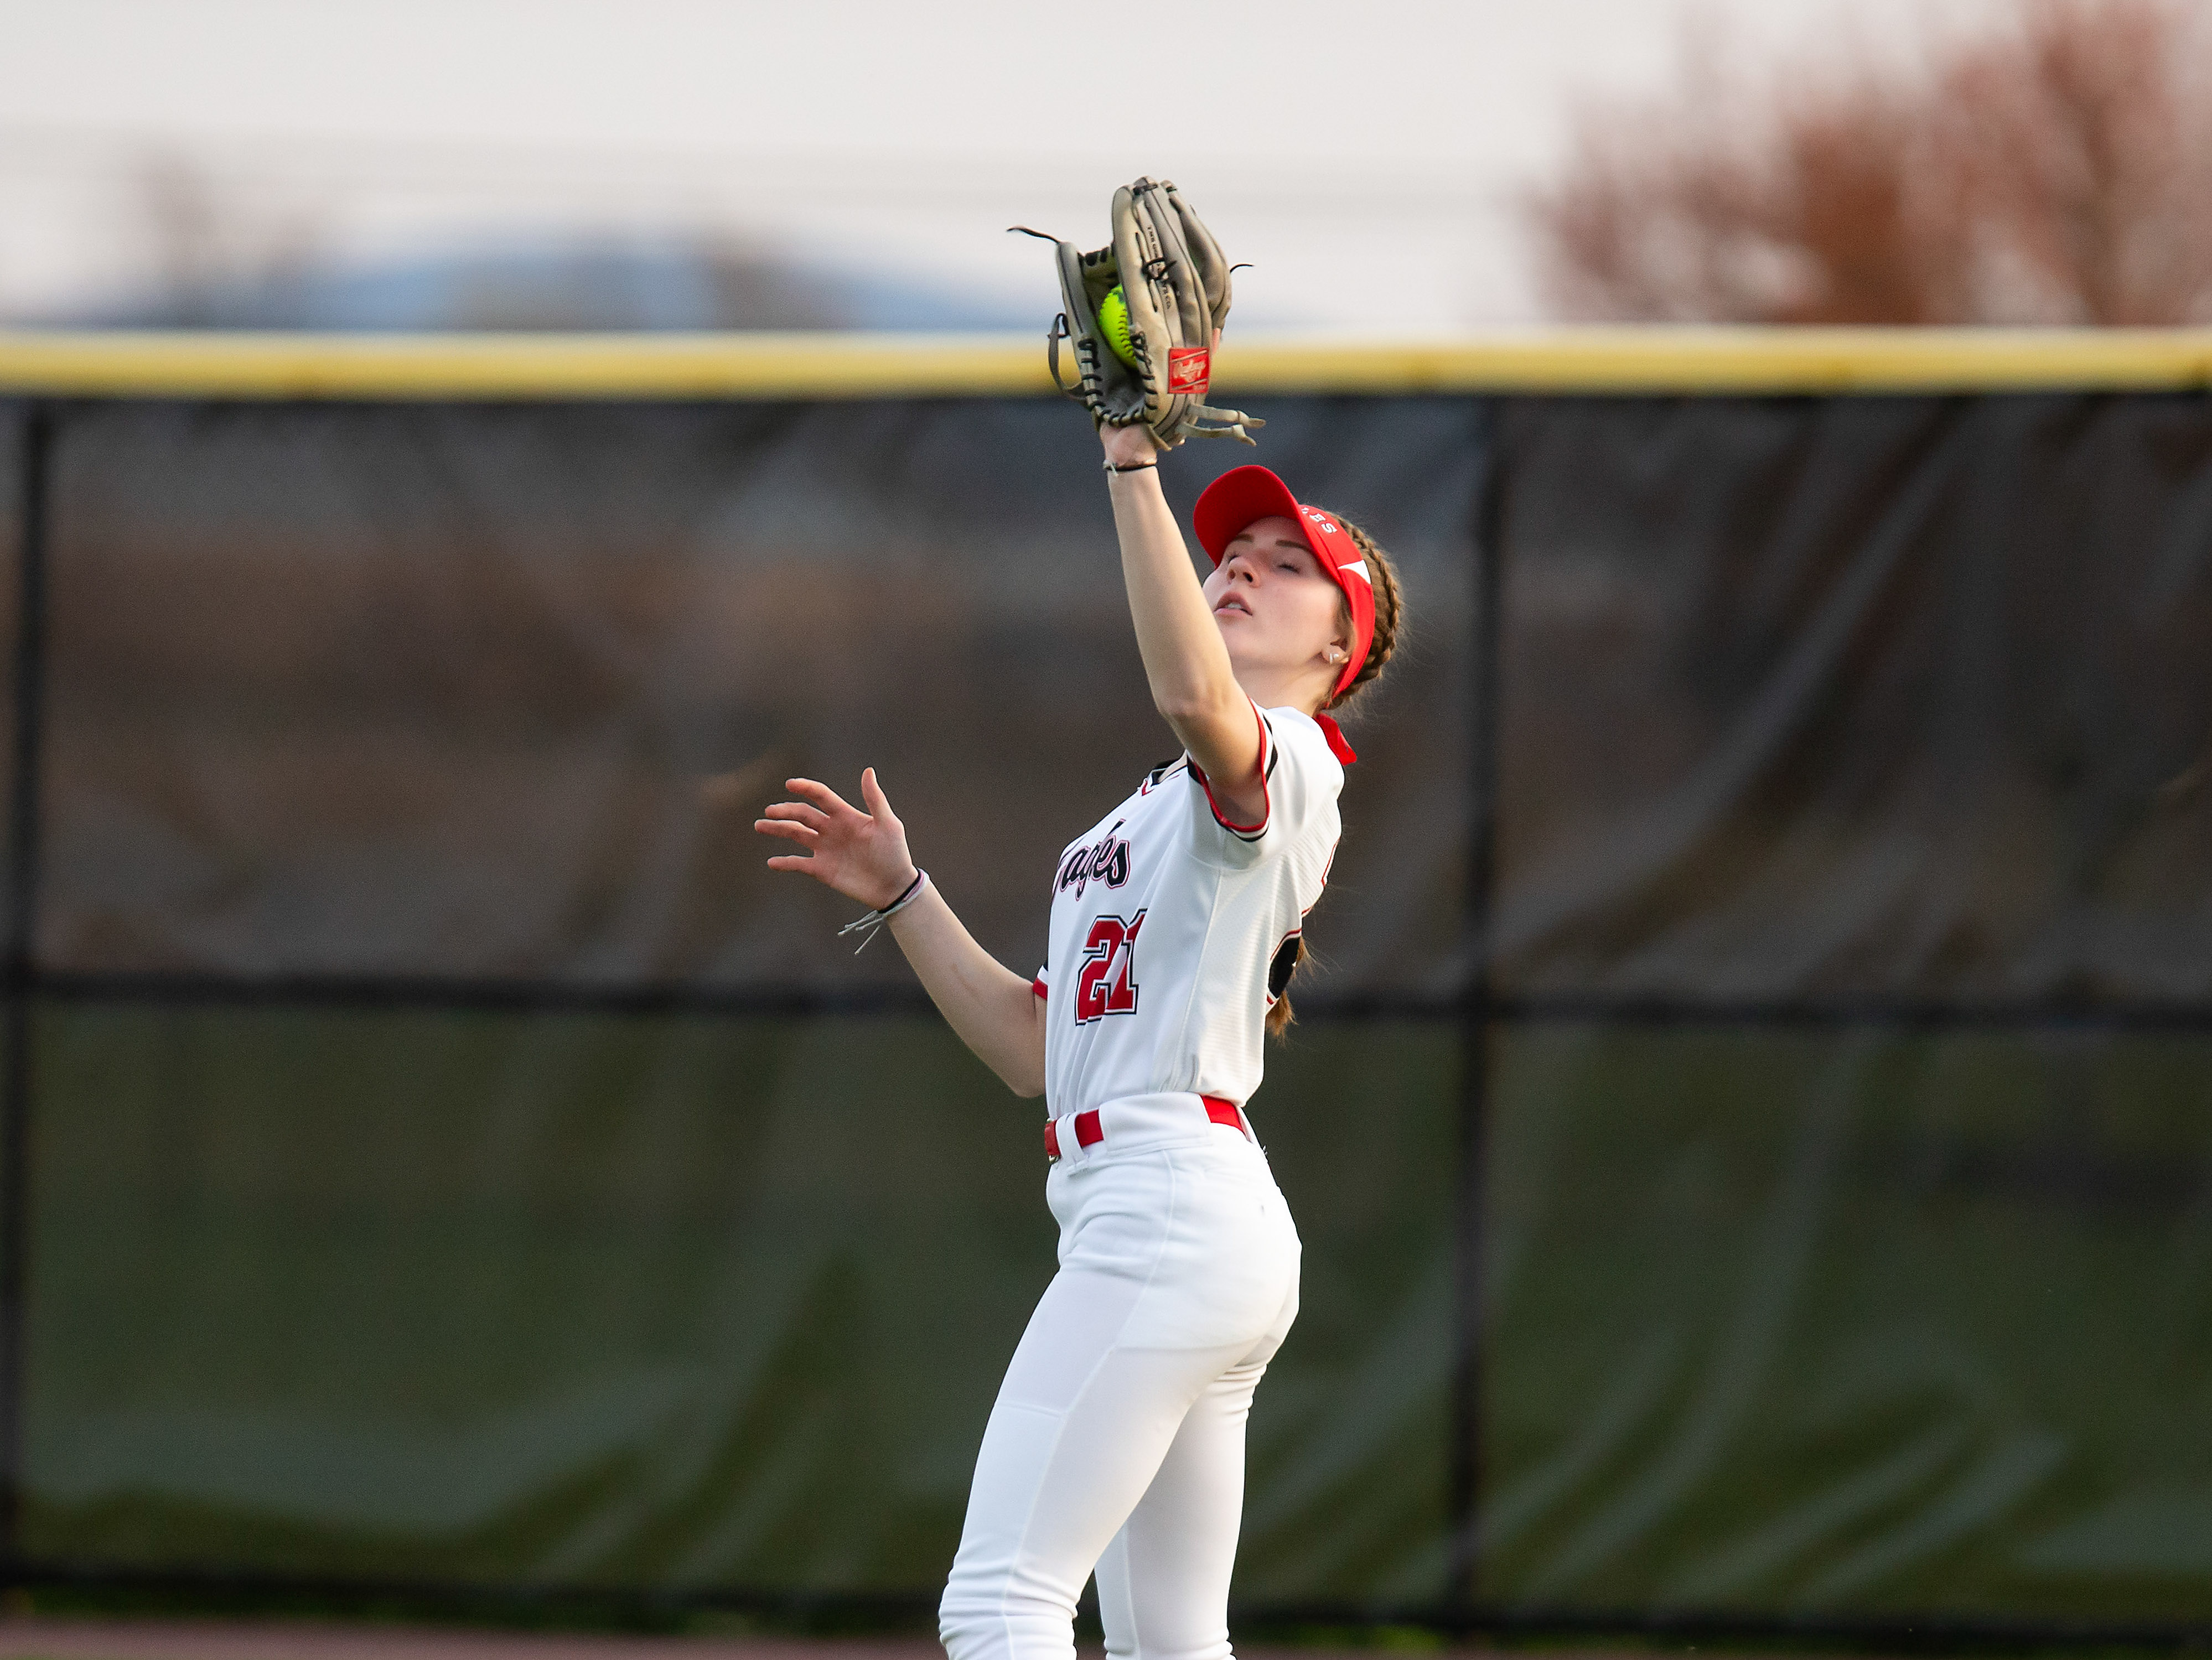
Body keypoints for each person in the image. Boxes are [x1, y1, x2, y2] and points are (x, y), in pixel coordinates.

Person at [754, 414, 1406, 1660]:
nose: (1244, 567)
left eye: (1289, 561)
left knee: (1002, 1603)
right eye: (1233, 551)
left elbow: (1187, 691)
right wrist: (904, 893)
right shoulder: (1155, 805)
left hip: (1167, 1206)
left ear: (1342, 647)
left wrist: (1131, 466)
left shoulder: (1287, 759)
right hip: (1181, 1211)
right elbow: (1031, 1052)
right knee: (1169, 1645)